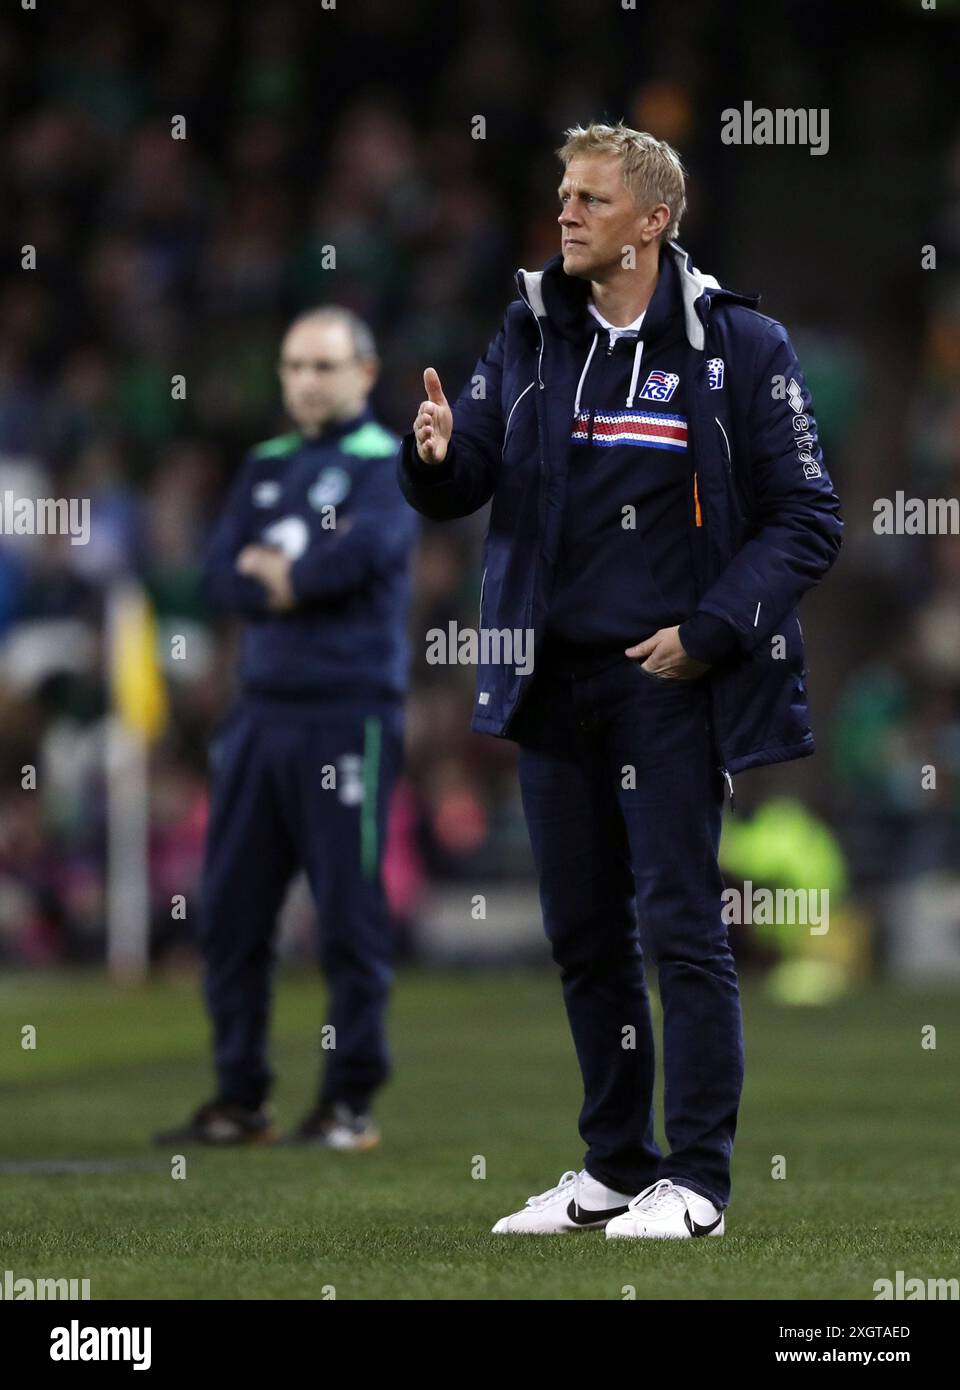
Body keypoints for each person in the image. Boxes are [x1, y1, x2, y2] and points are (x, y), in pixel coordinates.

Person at [397, 123, 842, 1236]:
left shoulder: (742, 345)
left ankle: (696, 1180)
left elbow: (808, 519)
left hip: (667, 679)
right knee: (583, 935)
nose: (566, 214)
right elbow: (468, 481)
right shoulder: (532, 330)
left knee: (682, 930)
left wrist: (709, 632)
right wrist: (440, 453)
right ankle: (613, 1165)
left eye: (590, 199)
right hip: (552, 678)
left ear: (653, 221)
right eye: (562, 195)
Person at [156, 307, 418, 1150]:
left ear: (365, 375)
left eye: (324, 366)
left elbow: (355, 564)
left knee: (347, 915)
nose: (306, 381)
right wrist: (292, 578)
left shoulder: (390, 466)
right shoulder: (264, 466)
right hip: (259, 715)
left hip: (348, 714)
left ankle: (349, 1101)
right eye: (294, 366)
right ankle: (241, 1098)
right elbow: (218, 580)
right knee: (230, 914)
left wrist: (286, 573)